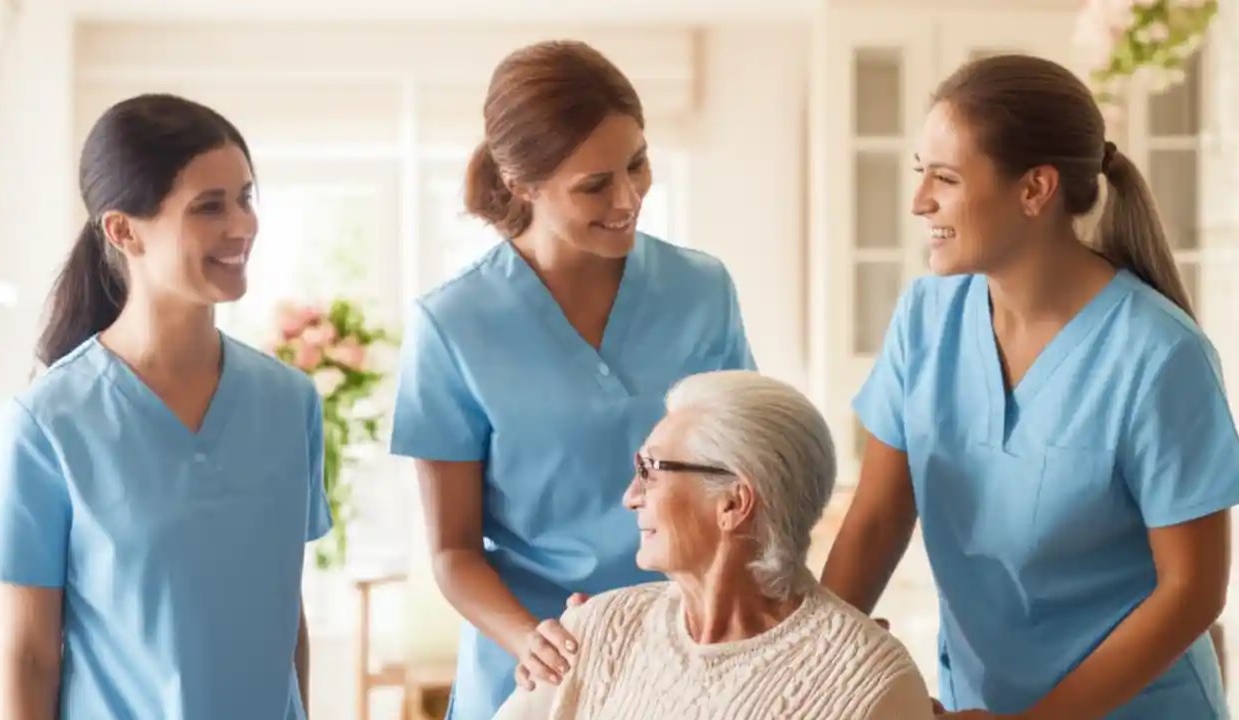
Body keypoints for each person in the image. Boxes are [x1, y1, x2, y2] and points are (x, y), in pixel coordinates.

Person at [820, 54, 1239, 720]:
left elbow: (1192, 590)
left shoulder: (1159, 355)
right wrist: (808, 663)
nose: (918, 199)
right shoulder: (925, 319)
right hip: (978, 703)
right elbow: (875, 519)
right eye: (919, 172)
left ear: (1035, 190)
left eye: (946, 178)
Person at [388, 39, 756, 719]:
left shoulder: (701, 290)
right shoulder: (453, 325)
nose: (628, 198)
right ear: (521, 183)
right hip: (532, 671)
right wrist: (533, 641)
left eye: (638, 164)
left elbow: (747, 483)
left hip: (687, 655)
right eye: (594, 184)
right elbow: (453, 551)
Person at [0, 94, 331, 719]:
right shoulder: (45, 425)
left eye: (246, 197)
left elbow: (285, 619)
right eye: (209, 207)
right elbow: (29, 655)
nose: (242, 225)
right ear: (122, 230)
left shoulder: (288, 402)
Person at [490, 370, 934, 720]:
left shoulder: (870, 681)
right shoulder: (599, 628)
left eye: (651, 470)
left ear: (734, 502)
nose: (630, 496)